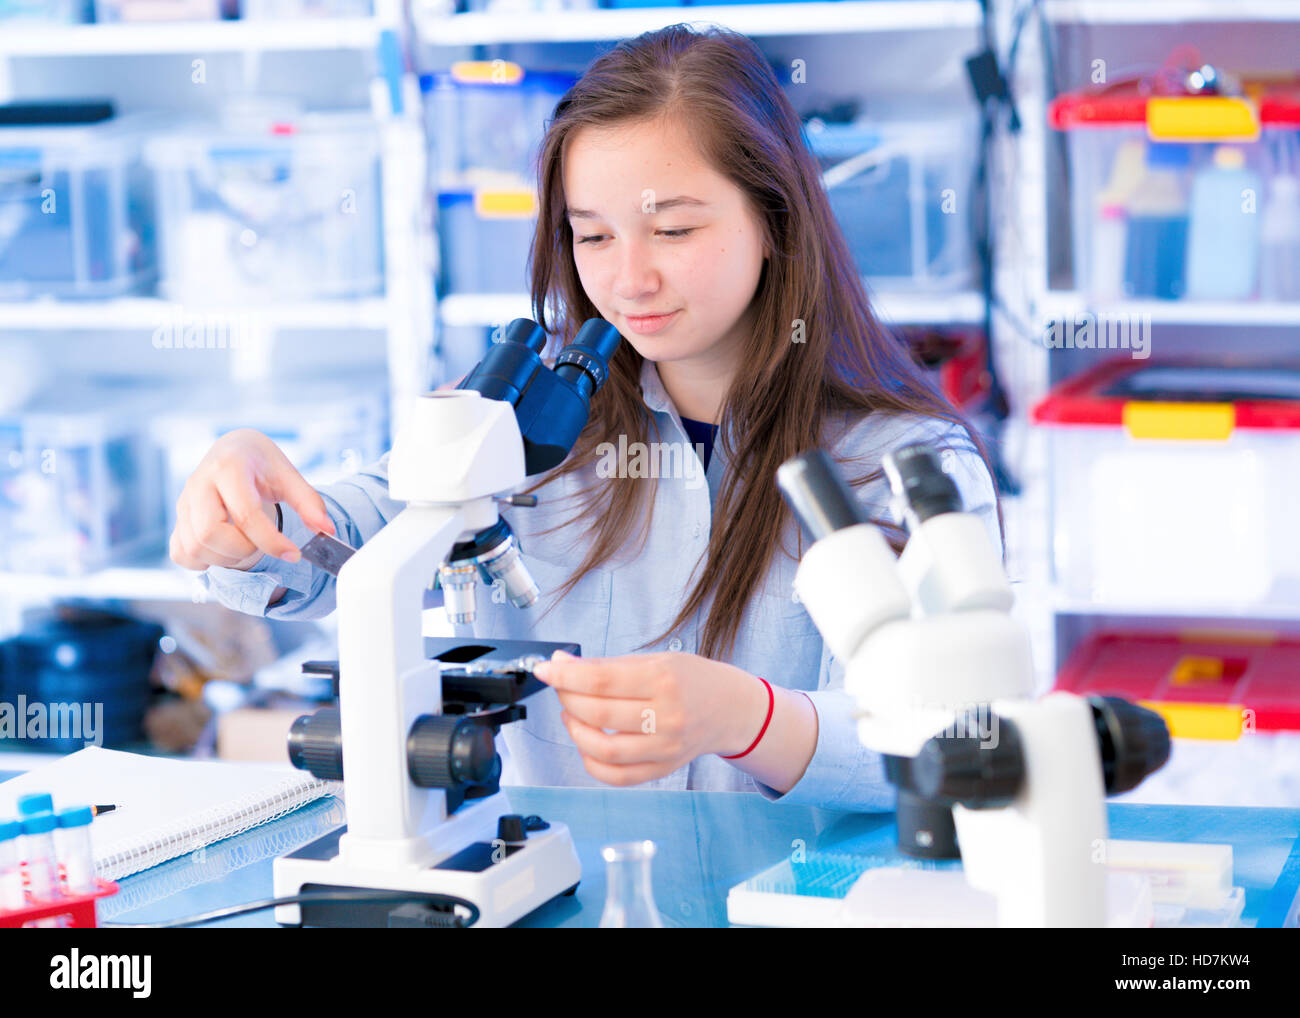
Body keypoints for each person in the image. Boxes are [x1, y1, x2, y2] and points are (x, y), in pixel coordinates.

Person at [170, 24, 1004, 812]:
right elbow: (340, 552)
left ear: (774, 219)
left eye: (671, 228)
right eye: (593, 237)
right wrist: (248, 512)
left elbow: (958, 745)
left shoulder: (904, 463)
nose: (630, 279)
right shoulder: (523, 418)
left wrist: (750, 721)